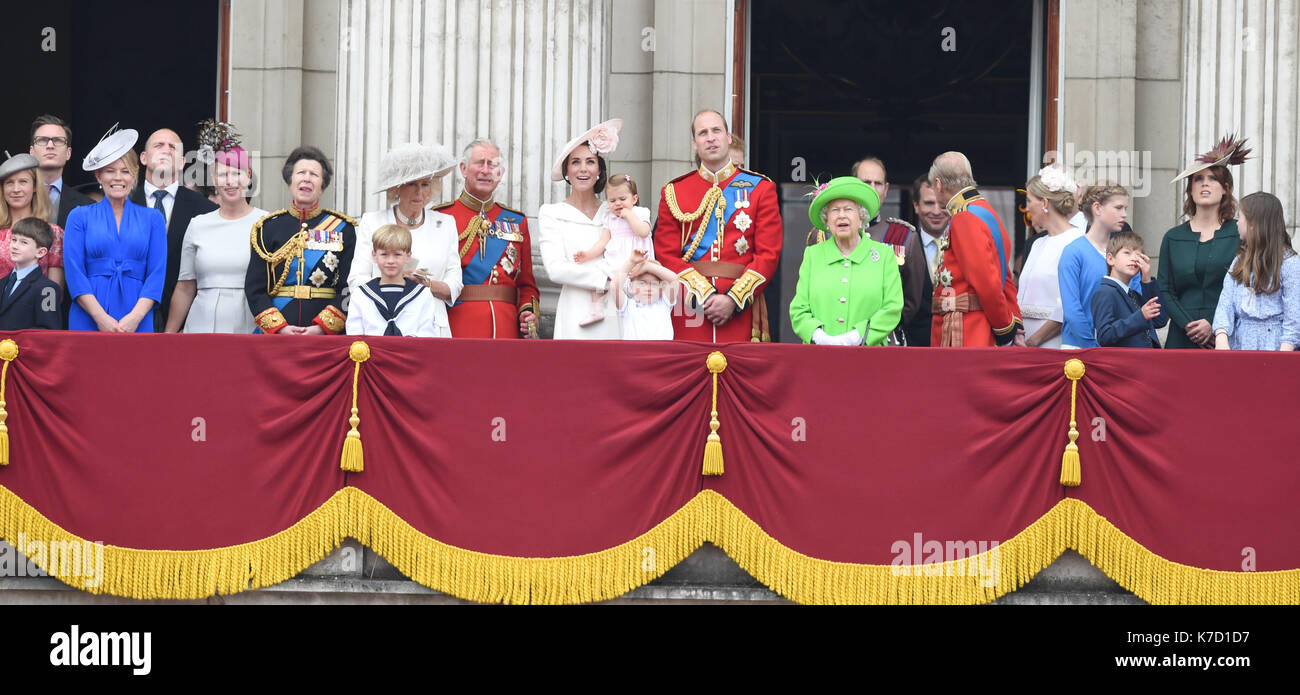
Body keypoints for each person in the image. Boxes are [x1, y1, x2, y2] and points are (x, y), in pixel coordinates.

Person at [653, 109, 783, 342]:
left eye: (716, 130)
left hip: (741, 308)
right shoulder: (674, 191)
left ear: (728, 137)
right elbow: (665, 255)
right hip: (689, 309)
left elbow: (768, 255)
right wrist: (702, 296)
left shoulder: (761, 189)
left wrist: (733, 300)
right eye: (703, 133)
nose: (710, 137)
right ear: (695, 143)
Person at [349, 142, 461, 338]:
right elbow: (357, 280)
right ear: (397, 188)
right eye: (412, 184)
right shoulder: (372, 221)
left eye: (425, 184)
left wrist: (425, 285)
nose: (419, 192)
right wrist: (394, 281)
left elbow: (455, 285)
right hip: (379, 324)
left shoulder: (446, 223)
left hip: (433, 327)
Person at [808, 157, 925, 345]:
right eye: (866, 182)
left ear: (886, 189)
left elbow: (911, 303)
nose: (872, 188)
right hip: (829, 340)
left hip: (881, 342)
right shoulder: (822, 236)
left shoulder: (903, 236)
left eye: (877, 183)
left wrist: (868, 331)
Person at [538, 120, 637, 339]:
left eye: (590, 162)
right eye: (575, 162)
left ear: (599, 170)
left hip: (616, 308)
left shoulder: (615, 211)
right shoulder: (551, 213)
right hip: (575, 310)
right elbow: (555, 269)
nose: (583, 168)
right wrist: (606, 278)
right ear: (567, 171)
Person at [64, 126, 166, 332]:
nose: (118, 178)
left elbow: (156, 274)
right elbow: (74, 273)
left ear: (135, 175)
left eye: (125, 171)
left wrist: (135, 318)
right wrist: (100, 318)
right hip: (88, 315)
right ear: (99, 176)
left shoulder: (153, 218)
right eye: (110, 171)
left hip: (138, 315)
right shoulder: (78, 216)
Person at [166, 122, 266, 333]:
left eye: (236, 173)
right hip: (202, 323)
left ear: (248, 176)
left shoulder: (266, 223)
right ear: (213, 179)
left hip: (250, 322)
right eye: (223, 175)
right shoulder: (198, 224)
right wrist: (169, 335)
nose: (230, 182)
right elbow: (185, 286)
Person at [433, 139, 539, 338]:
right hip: (456, 324)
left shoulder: (517, 221)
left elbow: (527, 283)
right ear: (463, 169)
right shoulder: (441, 218)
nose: (486, 170)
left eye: (492, 165)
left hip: (507, 328)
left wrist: (527, 311)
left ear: (500, 173)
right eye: (479, 163)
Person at [245, 146, 356, 335]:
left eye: (314, 174)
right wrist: (278, 327)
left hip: (324, 333)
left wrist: (322, 328)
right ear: (290, 180)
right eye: (301, 173)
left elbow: (348, 287)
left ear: (323, 185)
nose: (307, 178)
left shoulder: (343, 228)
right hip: (278, 329)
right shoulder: (268, 227)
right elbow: (255, 288)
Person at [790, 176, 902, 345]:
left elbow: (892, 308)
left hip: (869, 357)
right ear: (826, 220)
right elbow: (799, 309)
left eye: (848, 209)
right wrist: (819, 337)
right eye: (834, 210)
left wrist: (856, 337)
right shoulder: (813, 255)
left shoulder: (884, 255)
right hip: (819, 356)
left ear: (861, 217)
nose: (841, 216)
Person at [1160, 135, 1249, 349]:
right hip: (1181, 336)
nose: (1205, 183)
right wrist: (1189, 325)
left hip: (1225, 335)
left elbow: (1245, 288)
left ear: (1225, 188)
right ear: (1190, 190)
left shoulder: (1239, 234)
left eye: (1212, 178)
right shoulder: (1173, 237)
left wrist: (1213, 324)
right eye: (1198, 179)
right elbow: (1165, 289)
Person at [927, 151, 1021, 346]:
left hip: (966, 330)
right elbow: (1004, 278)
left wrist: (1005, 329)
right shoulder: (984, 210)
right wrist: (1013, 322)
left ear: (938, 184)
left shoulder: (965, 218)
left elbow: (987, 282)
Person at [130, 128, 219, 331]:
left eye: (173, 147)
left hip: (186, 323)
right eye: (158, 145)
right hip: (127, 316)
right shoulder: (123, 203)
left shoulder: (206, 210)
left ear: (181, 162)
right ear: (143, 158)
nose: (165, 151)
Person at [1212, 191, 1299, 351]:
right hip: (1240, 344)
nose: (1237, 223)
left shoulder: (1289, 264)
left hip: (1274, 346)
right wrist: (1221, 337)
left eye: (1241, 217)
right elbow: (1225, 303)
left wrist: (1285, 352)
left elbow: (1294, 315)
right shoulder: (1239, 260)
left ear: (1253, 223)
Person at [1057, 183, 1137, 349]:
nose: (1124, 214)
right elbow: (1072, 310)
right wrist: (1092, 348)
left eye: (1125, 208)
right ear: (1097, 208)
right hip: (1079, 349)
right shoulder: (1073, 252)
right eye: (1118, 208)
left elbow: (1135, 302)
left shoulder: (1124, 254)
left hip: (1119, 347)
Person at [572, 174, 653, 326]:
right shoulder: (609, 217)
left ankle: (640, 316)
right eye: (612, 200)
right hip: (615, 260)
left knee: (639, 289)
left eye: (622, 199)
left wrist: (629, 216)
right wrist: (588, 254)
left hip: (637, 262)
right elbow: (603, 241)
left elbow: (643, 232)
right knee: (598, 276)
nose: (618, 204)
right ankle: (596, 309)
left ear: (634, 199)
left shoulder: (640, 213)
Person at [1017, 166, 1084, 348]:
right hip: (1024, 343)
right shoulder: (1037, 244)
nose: (1027, 208)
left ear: (1045, 203)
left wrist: (1035, 340)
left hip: (1054, 343)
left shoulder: (1078, 242)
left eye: (1029, 201)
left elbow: (1071, 302)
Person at [346, 224, 439, 337]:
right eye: (384, 254)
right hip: (371, 354)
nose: (391, 261)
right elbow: (354, 336)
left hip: (410, 353)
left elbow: (427, 336)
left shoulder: (422, 294)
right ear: (374, 256)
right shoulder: (361, 294)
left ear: (408, 256)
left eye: (397, 255)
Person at [1091, 229, 1166, 348]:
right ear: (1110, 259)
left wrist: (1146, 280)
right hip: (1126, 362)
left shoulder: (1132, 294)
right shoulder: (1106, 292)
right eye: (1127, 253)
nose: (1134, 258)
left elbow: (1160, 320)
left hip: (1147, 360)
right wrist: (1140, 317)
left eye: (1138, 255)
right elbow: (1105, 336)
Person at [0, 152, 64, 288]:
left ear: (35, 187)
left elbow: (55, 293)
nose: (16, 189)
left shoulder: (53, 232)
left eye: (23, 182)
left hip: (35, 308)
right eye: (9, 183)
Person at [904, 174, 950, 346]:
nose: (937, 211)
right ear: (916, 205)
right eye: (929, 203)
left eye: (942, 204)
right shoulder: (901, 246)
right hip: (912, 349)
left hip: (954, 348)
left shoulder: (964, 245)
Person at [29, 115, 94, 228]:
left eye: (58, 140)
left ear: (68, 153)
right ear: (31, 151)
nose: (50, 146)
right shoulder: (13, 198)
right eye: (42, 140)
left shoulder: (88, 207)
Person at [0, 217, 62, 330]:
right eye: (14, 239)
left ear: (40, 252)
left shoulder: (48, 289)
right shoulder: (2, 283)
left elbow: (49, 330)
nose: (15, 246)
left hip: (24, 347)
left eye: (24, 242)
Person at [613, 249, 677, 341]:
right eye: (642, 283)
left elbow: (674, 280)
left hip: (662, 352)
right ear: (631, 287)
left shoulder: (664, 303)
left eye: (654, 284)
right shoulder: (627, 306)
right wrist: (631, 262)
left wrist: (648, 266)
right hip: (635, 353)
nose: (648, 288)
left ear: (661, 288)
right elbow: (615, 286)